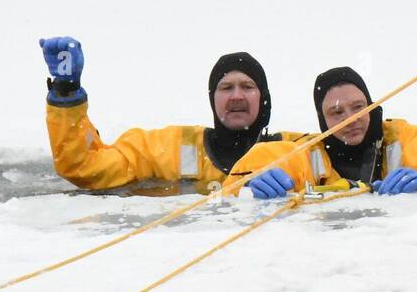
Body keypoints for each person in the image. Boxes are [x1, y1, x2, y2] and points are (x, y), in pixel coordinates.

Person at [40, 36, 301, 195]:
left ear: (263, 99)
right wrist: (66, 92)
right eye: (226, 87)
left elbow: (340, 160)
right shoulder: (166, 148)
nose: (236, 96)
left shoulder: (299, 150)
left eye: (247, 87)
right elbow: (87, 168)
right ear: (213, 99)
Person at [235, 66, 417, 197]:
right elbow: (239, 176)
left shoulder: (399, 137)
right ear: (323, 121)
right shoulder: (305, 154)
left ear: (372, 107)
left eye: (358, 107)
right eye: (337, 113)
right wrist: (250, 185)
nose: (350, 119)